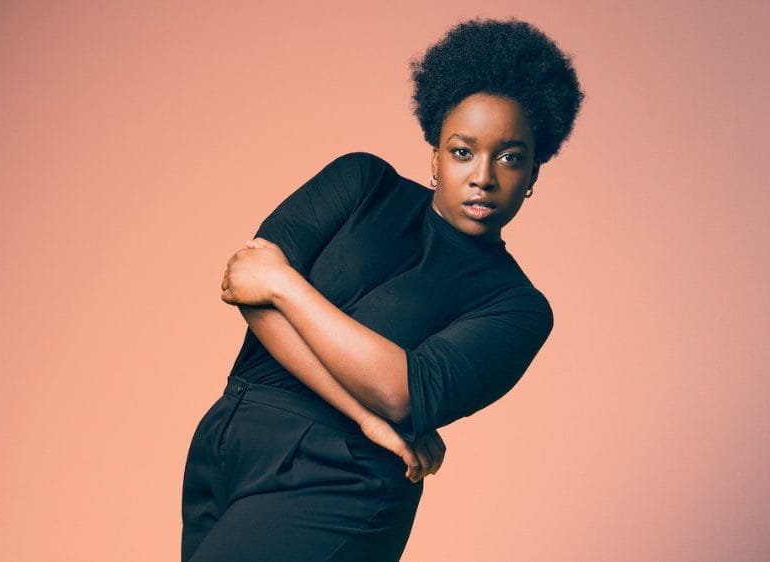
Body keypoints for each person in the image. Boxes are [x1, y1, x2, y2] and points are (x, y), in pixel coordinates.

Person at [181, 18, 584, 562]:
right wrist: (366, 415)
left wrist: (286, 286)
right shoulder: (361, 182)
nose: (483, 176)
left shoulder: (516, 307)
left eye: (510, 157)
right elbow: (247, 284)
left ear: (534, 173)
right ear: (435, 157)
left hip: (342, 477)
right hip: (227, 436)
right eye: (462, 151)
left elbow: (400, 391)